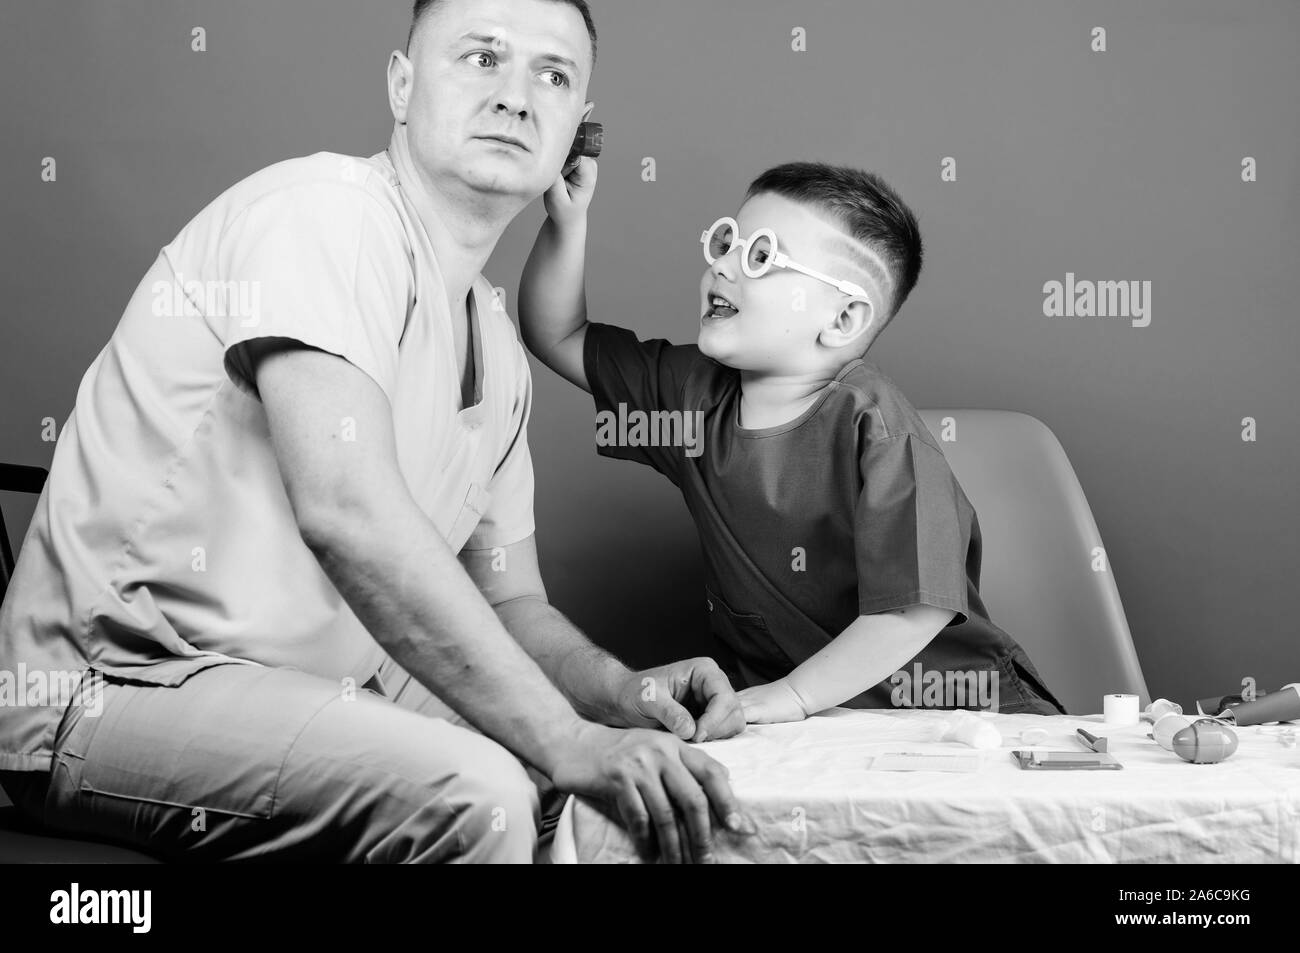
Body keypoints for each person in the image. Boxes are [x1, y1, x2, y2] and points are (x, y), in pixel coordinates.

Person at [0, 0, 755, 865]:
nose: (516, 97)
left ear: (575, 136)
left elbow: (510, 602)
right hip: (120, 685)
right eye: (480, 57)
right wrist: (570, 740)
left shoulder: (497, 348)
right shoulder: (323, 214)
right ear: (401, 85)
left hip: (328, 689)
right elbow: (346, 510)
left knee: (628, 788)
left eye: (552, 75)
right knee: (485, 796)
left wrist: (620, 695)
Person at [517, 158, 1068, 723]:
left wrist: (795, 696)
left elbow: (914, 613)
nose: (724, 267)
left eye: (760, 257)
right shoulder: (688, 396)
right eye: (727, 242)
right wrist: (567, 220)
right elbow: (556, 333)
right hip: (805, 732)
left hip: (959, 718)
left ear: (844, 318)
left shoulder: (880, 432)